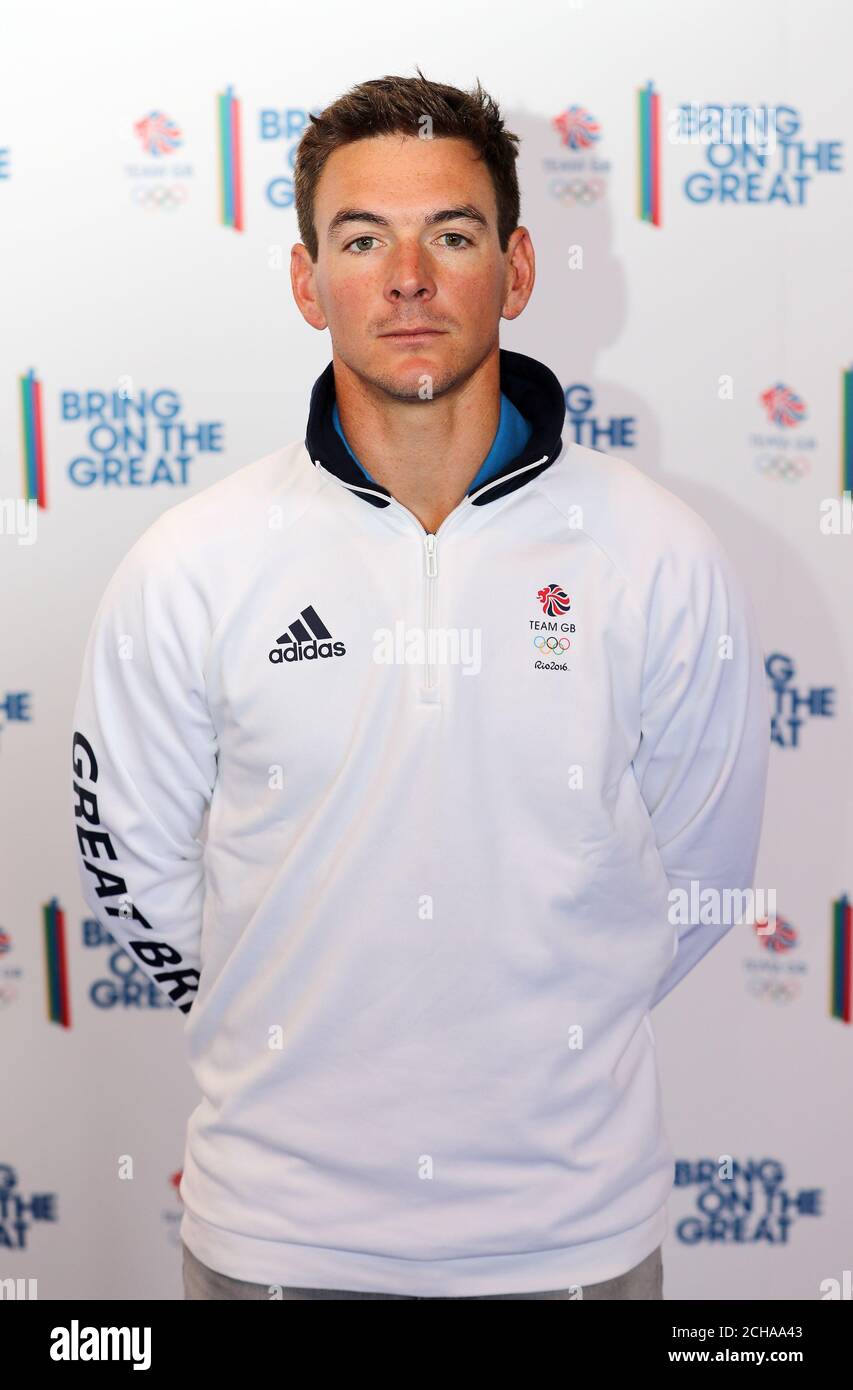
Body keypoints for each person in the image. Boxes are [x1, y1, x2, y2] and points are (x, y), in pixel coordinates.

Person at [70, 69, 770, 1301]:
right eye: (361, 238)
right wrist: (275, 1003)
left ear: (516, 269)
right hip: (273, 1243)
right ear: (306, 283)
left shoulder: (654, 551)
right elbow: (135, 874)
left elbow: (704, 872)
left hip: (576, 1243)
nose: (408, 277)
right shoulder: (195, 561)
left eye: (451, 233)